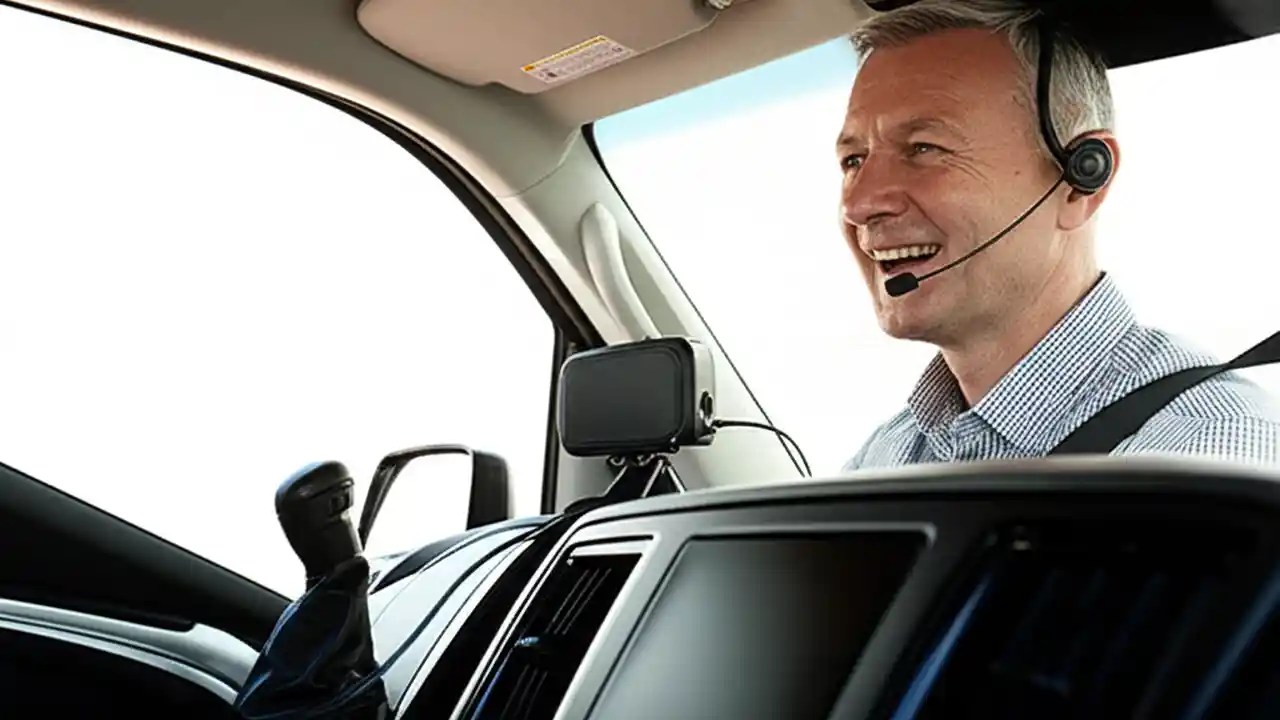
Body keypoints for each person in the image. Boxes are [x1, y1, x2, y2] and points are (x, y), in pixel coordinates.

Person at [838, 0, 1279, 470]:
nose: (858, 205)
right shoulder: (883, 457)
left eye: (924, 148)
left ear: (1080, 181)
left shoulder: (1206, 456)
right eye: (853, 161)